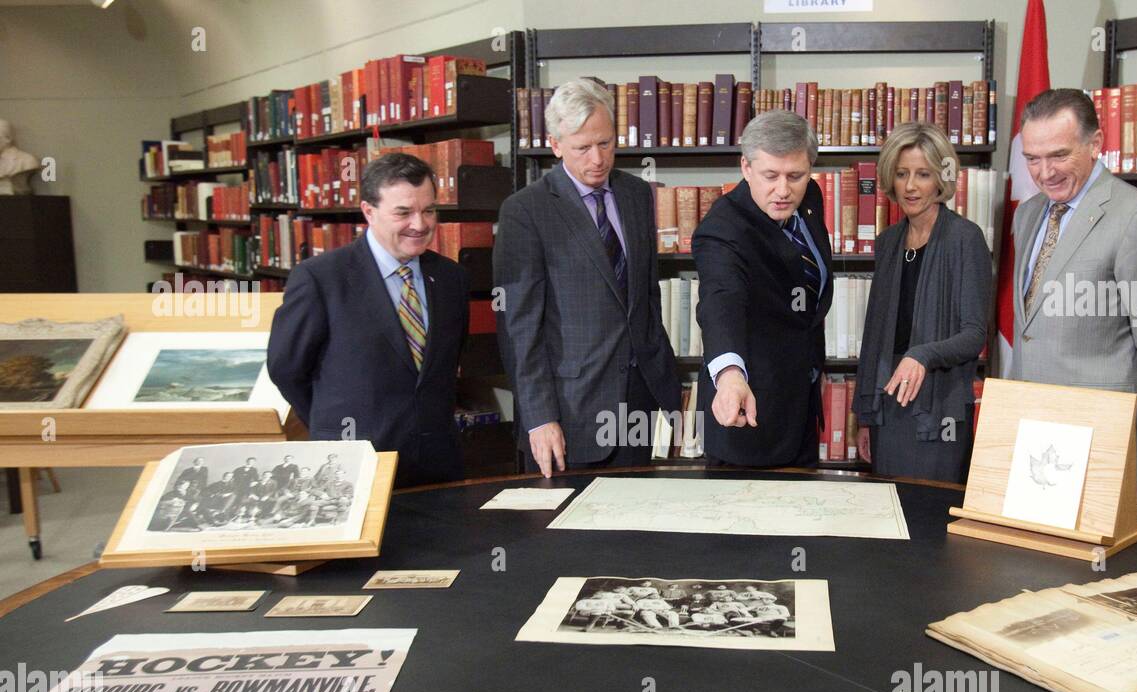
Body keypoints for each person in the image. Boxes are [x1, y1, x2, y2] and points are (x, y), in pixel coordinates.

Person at [495, 79, 679, 477]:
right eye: (582, 148)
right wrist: (539, 416)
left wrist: (665, 385)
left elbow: (645, 297)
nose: (597, 159)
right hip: (569, 410)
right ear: (556, 145)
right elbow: (519, 328)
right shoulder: (525, 211)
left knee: (635, 528)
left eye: (606, 143)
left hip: (639, 398)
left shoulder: (636, 195)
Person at [1011, 88, 1137, 485]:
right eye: (1032, 159)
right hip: (1031, 435)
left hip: (1100, 437)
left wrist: (1132, 416)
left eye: (1059, 155)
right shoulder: (1026, 215)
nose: (1045, 172)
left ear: (1095, 144)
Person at [269, 152, 469, 488]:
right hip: (353, 466)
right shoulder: (320, 279)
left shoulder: (452, 279)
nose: (420, 225)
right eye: (403, 213)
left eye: (429, 210)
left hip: (436, 465)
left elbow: (446, 366)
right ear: (368, 212)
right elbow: (286, 369)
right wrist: (329, 424)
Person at [694, 109, 833, 467]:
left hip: (801, 409)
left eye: (796, 176)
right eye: (770, 175)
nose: (783, 190)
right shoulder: (723, 229)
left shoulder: (811, 198)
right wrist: (729, 375)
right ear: (746, 168)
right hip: (747, 415)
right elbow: (721, 300)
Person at [853, 122, 990, 482]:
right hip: (887, 404)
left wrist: (922, 355)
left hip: (938, 405)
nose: (911, 186)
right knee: (889, 516)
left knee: (931, 521)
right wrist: (865, 417)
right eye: (901, 174)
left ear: (940, 178)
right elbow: (874, 335)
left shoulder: (966, 238)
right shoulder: (887, 242)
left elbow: (974, 335)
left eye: (923, 174)